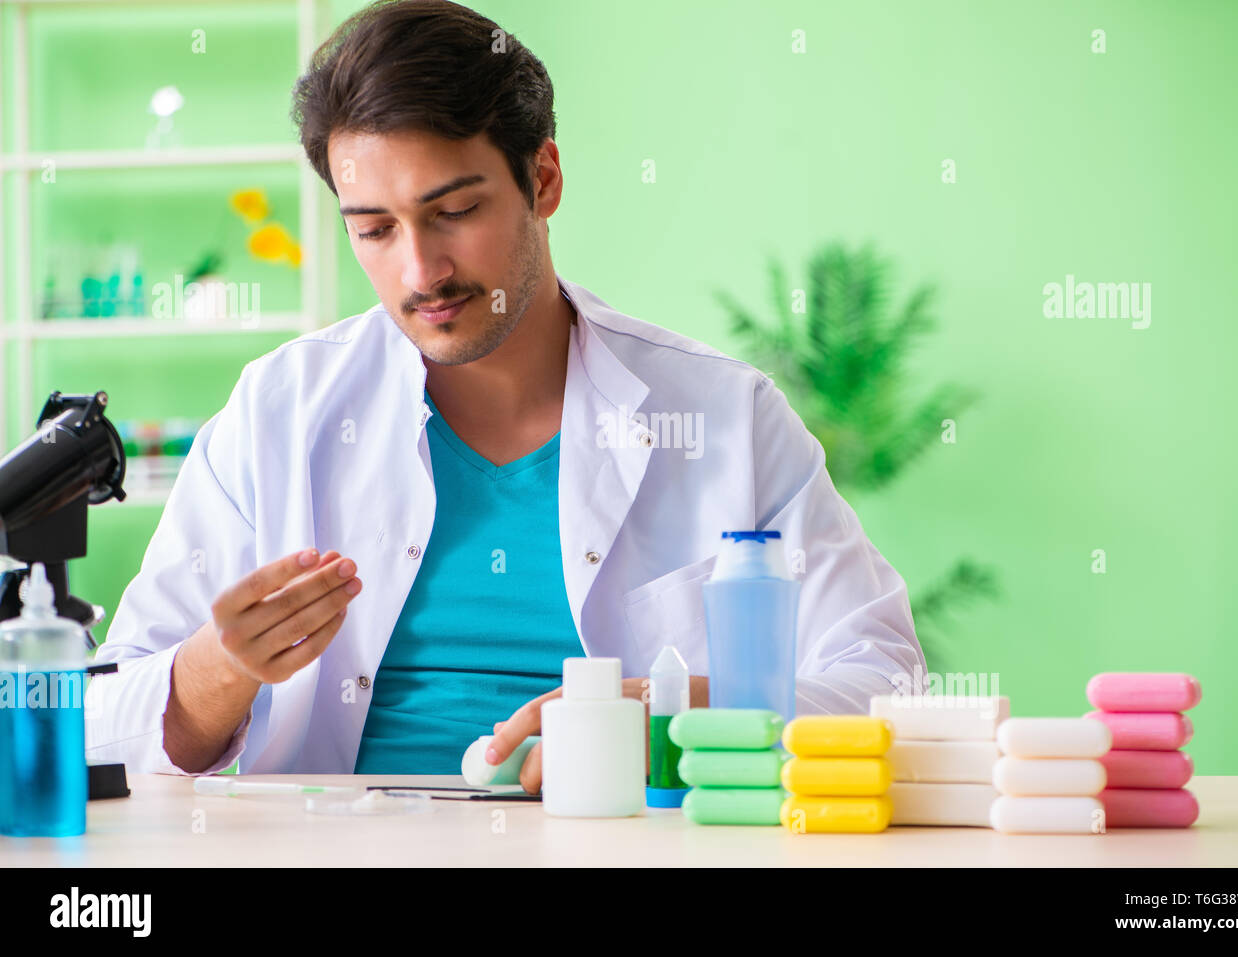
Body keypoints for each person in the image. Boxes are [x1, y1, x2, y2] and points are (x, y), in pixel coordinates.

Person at [85, 0, 925, 789]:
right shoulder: (280, 408)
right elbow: (102, 723)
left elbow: (886, 681)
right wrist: (222, 667)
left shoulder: (723, 416)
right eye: (373, 229)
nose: (420, 272)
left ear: (544, 179)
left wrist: (673, 714)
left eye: (453, 210)